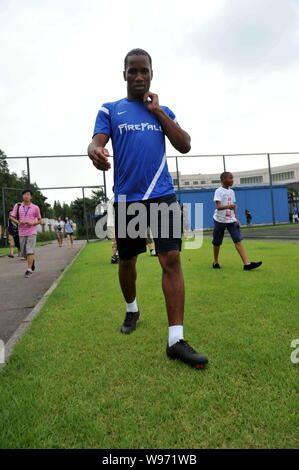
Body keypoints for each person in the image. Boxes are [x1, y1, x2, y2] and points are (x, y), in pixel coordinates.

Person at [88, 48, 208, 369]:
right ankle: (132, 309)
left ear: (152, 74)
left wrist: (158, 113)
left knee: (171, 259)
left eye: (144, 71)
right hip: (128, 199)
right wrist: (95, 151)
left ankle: (176, 340)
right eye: (133, 71)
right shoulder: (111, 110)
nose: (139, 76)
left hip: (162, 195)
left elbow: (184, 144)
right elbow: (97, 141)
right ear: (124, 74)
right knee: (127, 261)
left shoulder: (163, 110)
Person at [212, 172, 262, 271]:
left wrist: (236, 218)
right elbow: (218, 207)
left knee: (237, 240)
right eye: (230, 178)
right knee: (217, 242)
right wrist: (228, 206)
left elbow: (233, 205)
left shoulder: (232, 192)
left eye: (232, 178)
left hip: (231, 220)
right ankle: (215, 262)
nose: (232, 180)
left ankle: (247, 264)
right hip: (219, 220)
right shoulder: (218, 191)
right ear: (223, 180)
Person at [10, 189, 42, 278]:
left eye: (28, 194)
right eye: (24, 194)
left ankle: (29, 270)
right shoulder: (18, 206)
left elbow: (40, 220)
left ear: (31, 197)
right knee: (24, 253)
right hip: (21, 232)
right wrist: (19, 222)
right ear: (22, 196)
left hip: (32, 231)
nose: (26, 196)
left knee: (30, 251)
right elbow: (12, 217)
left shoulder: (35, 207)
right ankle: (32, 261)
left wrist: (32, 223)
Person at [106, 195, 119, 264]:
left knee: (117, 241)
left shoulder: (111, 199)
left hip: (111, 223)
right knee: (116, 241)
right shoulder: (116, 199)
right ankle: (114, 257)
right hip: (113, 223)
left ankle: (116, 256)